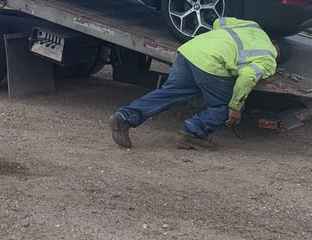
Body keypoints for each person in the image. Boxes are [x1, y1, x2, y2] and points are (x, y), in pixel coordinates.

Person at [109, 17, 289, 152]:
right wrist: (235, 106)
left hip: (190, 51)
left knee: (168, 93)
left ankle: (125, 117)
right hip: (212, 65)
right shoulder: (268, 58)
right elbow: (247, 77)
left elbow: (220, 21)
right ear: (278, 54)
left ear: (273, 40)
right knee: (224, 107)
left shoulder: (252, 26)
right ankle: (192, 133)